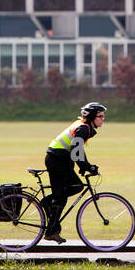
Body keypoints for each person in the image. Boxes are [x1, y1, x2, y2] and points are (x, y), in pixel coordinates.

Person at [41, 102, 106, 243]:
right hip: (56, 160)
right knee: (64, 194)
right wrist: (88, 167)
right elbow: (77, 152)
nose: (103, 119)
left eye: (103, 116)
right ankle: (51, 228)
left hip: (61, 160)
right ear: (92, 117)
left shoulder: (84, 126)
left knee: (73, 188)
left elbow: (78, 150)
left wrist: (85, 166)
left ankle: (51, 220)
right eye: (100, 116)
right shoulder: (83, 128)